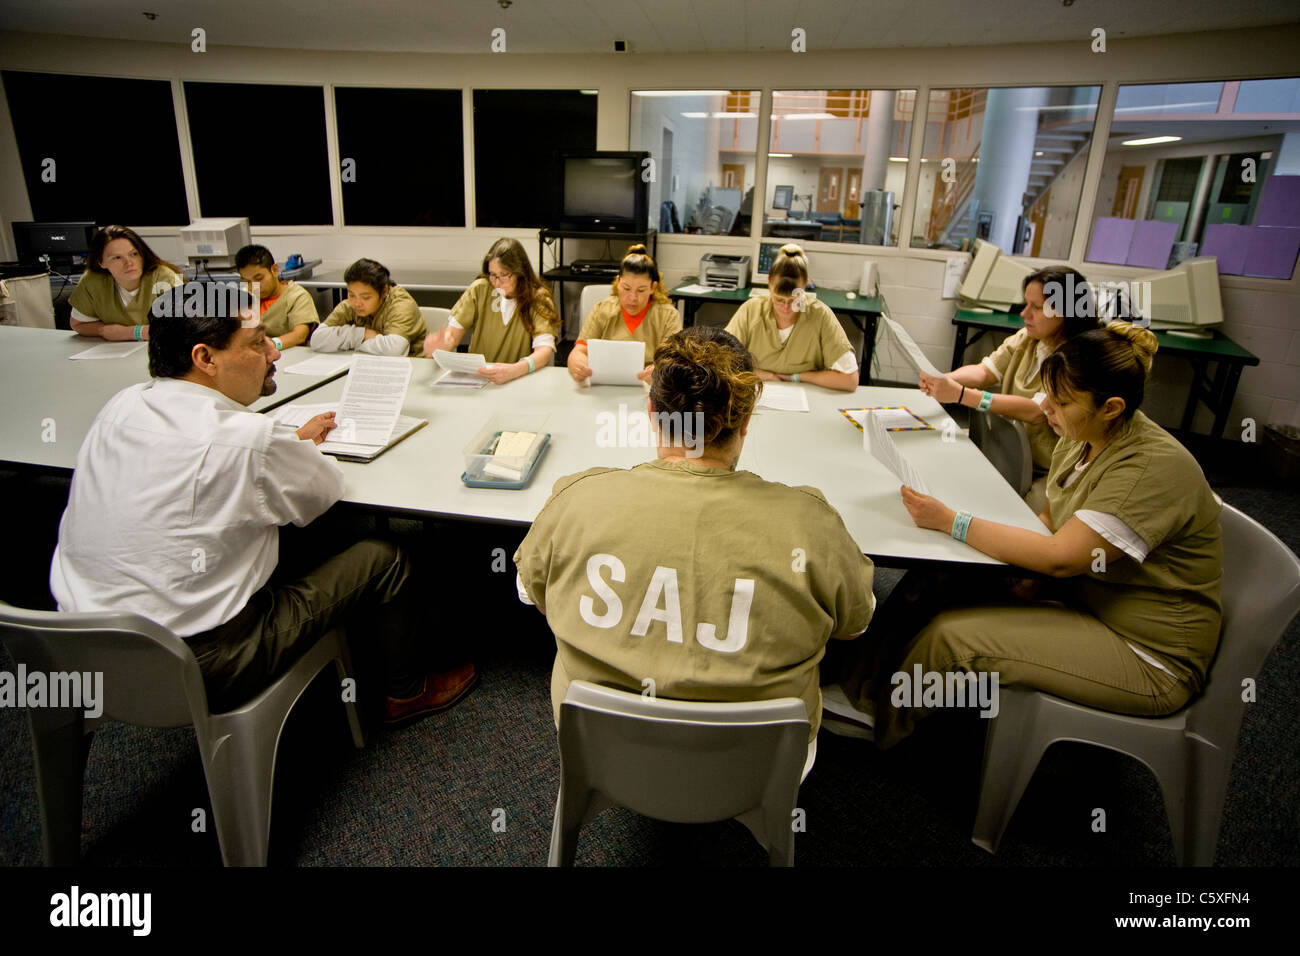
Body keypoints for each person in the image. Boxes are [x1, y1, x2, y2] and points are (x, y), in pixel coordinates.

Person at [50, 282, 475, 724]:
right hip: (203, 661)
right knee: (382, 556)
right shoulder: (246, 440)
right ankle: (405, 692)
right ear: (205, 358)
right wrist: (287, 450)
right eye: (257, 343)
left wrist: (283, 446)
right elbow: (323, 494)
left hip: (76, 648)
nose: (275, 352)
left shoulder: (121, 406)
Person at [830, 322, 1222, 749]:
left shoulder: (1147, 468)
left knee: (952, 638)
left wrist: (952, 522)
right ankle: (858, 680)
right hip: (1090, 597)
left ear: (1111, 406)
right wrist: (1026, 569)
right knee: (942, 576)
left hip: (1146, 653)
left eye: (1061, 401)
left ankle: (882, 718)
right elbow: (1053, 514)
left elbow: (1060, 557)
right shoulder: (1084, 435)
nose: (1046, 409)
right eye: (1049, 396)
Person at [515, 325, 875, 744]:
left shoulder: (575, 500)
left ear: (651, 414)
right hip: (760, 770)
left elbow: (535, 597)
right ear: (745, 424)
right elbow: (853, 626)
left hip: (601, 752)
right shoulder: (812, 524)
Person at [918, 266, 1100, 512]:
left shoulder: (1079, 358)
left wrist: (961, 394)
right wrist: (941, 379)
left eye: (1036, 308)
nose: (1025, 314)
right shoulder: (1029, 338)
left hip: (1048, 468)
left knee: (1027, 518)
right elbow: (985, 371)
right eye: (1026, 304)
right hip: (1008, 450)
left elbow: (1038, 411)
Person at [723, 243, 858, 393]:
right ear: (769, 282)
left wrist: (798, 377)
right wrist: (765, 375)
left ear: (806, 283)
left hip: (805, 394)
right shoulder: (751, 311)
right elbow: (722, 363)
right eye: (779, 300)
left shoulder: (820, 315)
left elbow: (850, 380)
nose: (786, 308)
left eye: (794, 300)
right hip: (757, 390)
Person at [422, 238, 560, 385]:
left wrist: (515, 370)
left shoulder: (538, 298)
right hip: (478, 379)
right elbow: (452, 336)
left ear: (520, 272)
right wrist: (441, 345)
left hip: (518, 379)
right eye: (492, 274)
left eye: (504, 275)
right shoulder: (479, 289)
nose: (496, 282)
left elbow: (544, 351)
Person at [567, 244, 682, 383]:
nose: (633, 298)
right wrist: (578, 364)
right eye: (626, 288)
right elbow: (579, 351)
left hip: (651, 388)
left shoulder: (668, 316)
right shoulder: (602, 310)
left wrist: (660, 370)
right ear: (618, 282)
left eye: (641, 290)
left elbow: (675, 360)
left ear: (653, 287)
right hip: (605, 385)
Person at [68, 225, 183, 341]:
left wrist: (130, 333)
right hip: (114, 353)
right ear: (101, 262)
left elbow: (182, 329)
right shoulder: (92, 282)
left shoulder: (165, 278)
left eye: (134, 254)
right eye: (117, 257)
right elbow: (78, 324)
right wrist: (104, 330)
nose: (129, 263)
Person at [311, 258, 427, 356]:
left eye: (365, 297)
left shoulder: (401, 305)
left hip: (412, 367)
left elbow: (394, 350)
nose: (357, 303)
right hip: (370, 363)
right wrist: (362, 334)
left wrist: (343, 341)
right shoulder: (349, 305)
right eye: (351, 295)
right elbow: (316, 339)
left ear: (384, 291)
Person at [235, 244, 320, 350]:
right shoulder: (245, 297)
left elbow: (299, 335)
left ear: (275, 270)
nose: (254, 286)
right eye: (247, 281)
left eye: (259, 279)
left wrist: (270, 345)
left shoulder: (296, 296)